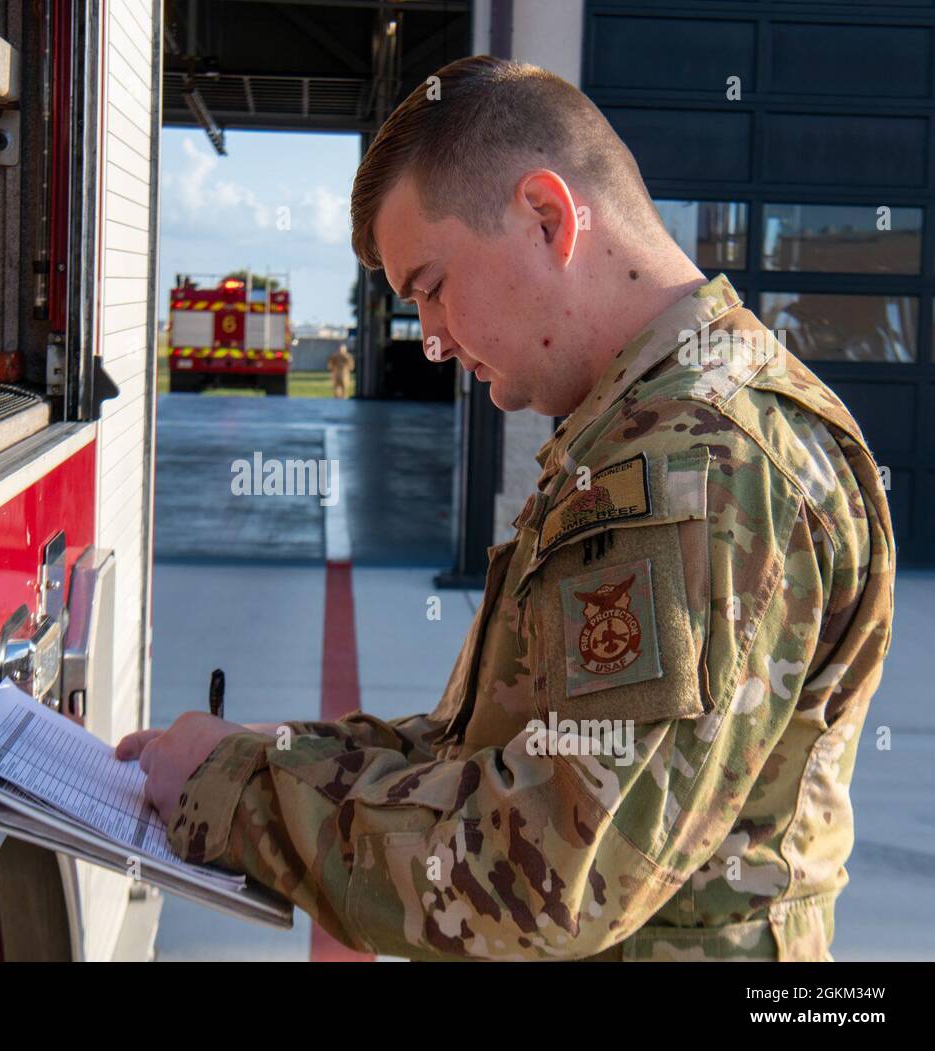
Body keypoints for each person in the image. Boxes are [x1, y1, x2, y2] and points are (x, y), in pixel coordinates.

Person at [116, 56, 894, 961]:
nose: (434, 341)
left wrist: (237, 789)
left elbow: (544, 874)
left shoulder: (702, 467)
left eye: (432, 286)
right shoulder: (650, 433)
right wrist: (283, 750)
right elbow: (499, 747)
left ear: (547, 217)